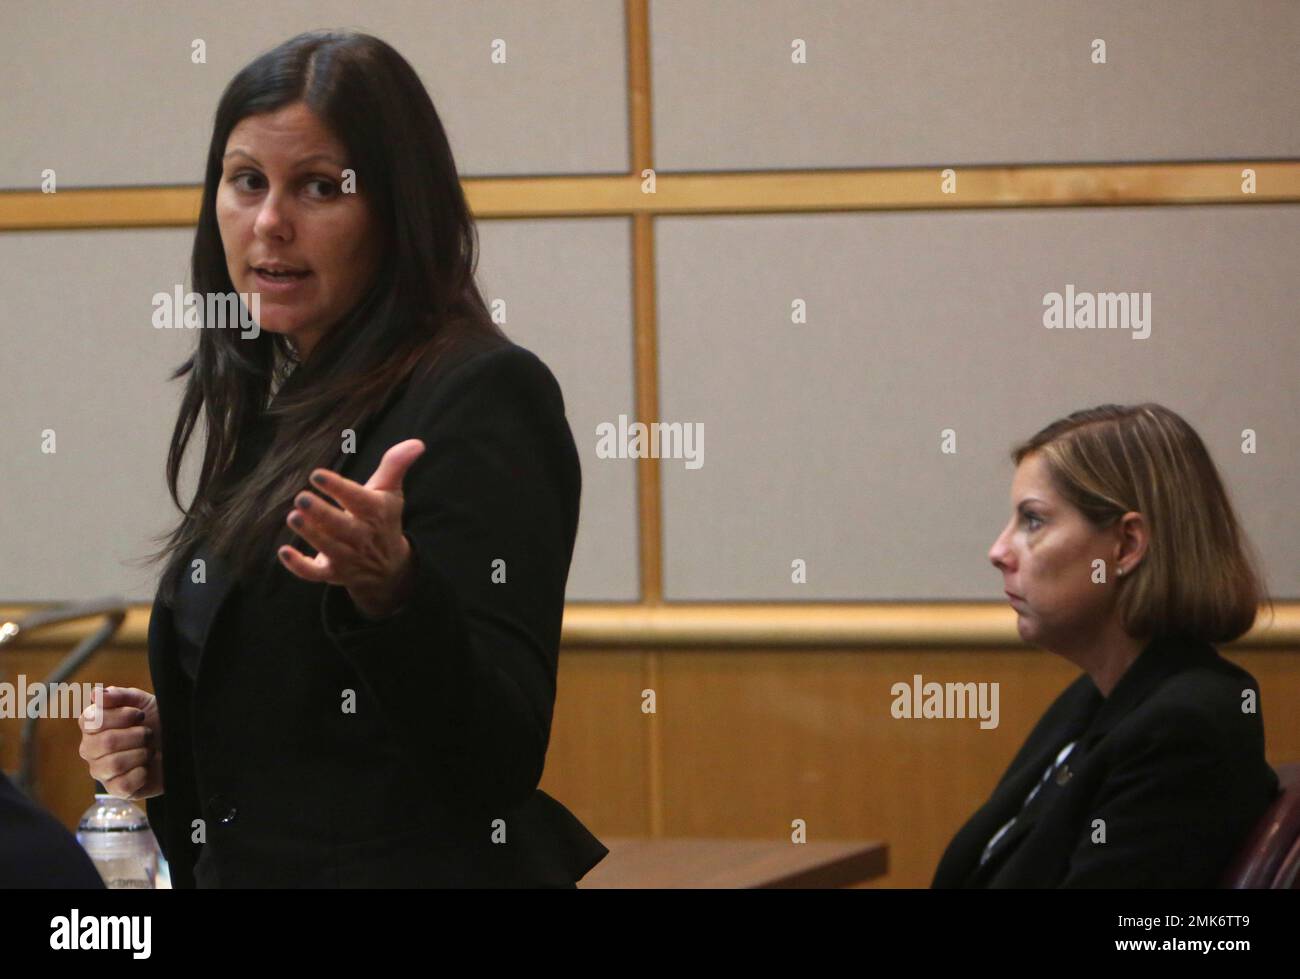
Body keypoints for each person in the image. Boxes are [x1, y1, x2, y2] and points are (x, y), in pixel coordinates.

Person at [76, 29, 606, 887]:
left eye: (320, 188)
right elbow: (325, 731)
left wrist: (393, 594)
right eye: (247, 181)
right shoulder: (284, 398)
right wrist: (184, 739)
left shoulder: (482, 393)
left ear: (399, 209)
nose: (270, 222)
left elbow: (498, 753)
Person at [932, 403, 1278, 888]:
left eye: (1032, 521)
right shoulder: (1092, 699)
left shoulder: (1184, 728)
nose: (999, 551)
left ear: (1127, 546)